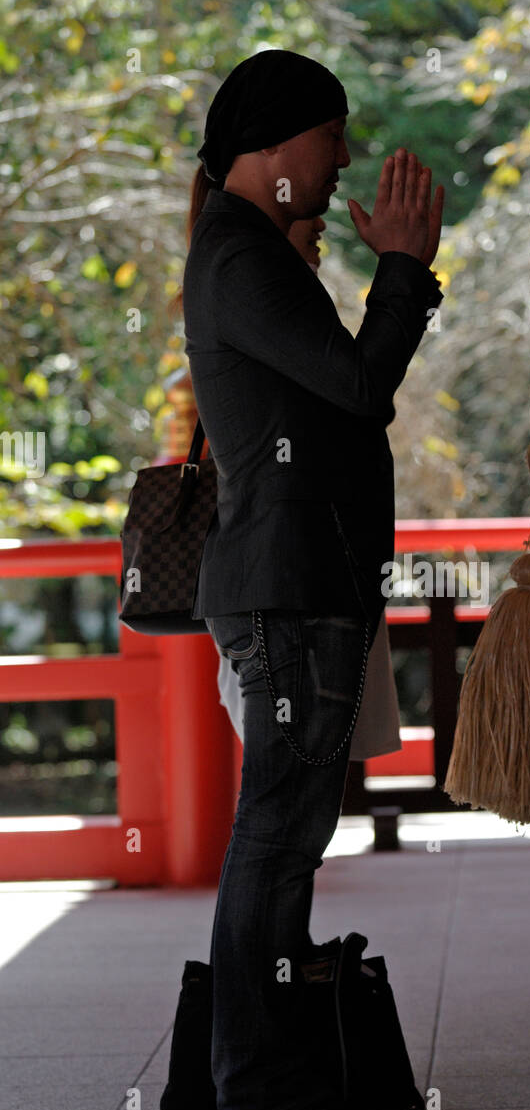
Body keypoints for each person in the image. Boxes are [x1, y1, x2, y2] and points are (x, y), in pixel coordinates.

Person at [182, 49, 444, 1110]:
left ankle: (260, 1069)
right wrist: (402, 271)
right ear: (276, 145)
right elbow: (355, 387)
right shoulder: (241, 260)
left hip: (303, 578)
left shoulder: (251, 254)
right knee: (280, 832)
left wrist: (393, 275)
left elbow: (341, 403)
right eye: (329, 138)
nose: (341, 163)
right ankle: (257, 1078)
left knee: (289, 831)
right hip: (284, 585)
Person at [213, 213, 402, 763]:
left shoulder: (272, 304)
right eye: (300, 216)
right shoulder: (253, 297)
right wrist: (401, 270)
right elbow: (363, 400)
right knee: (282, 811)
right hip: (288, 575)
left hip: (307, 567)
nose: (318, 220)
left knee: (297, 806)